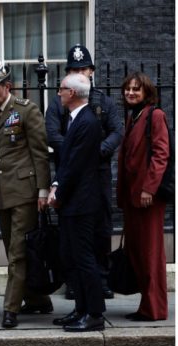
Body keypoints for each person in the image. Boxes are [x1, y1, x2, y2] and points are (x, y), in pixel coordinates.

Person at [44, 44, 124, 303]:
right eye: (74, 69)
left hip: (98, 172)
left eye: (83, 68)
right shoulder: (59, 103)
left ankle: (100, 278)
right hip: (70, 172)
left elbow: (116, 132)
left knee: (100, 227)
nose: (80, 72)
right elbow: (52, 134)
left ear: (91, 71)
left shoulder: (103, 101)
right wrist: (78, 150)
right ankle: (74, 282)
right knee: (69, 231)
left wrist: (96, 150)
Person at [0, 60, 52, 328]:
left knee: (18, 251)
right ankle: (38, 299)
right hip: (0, 194)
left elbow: (40, 153)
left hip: (24, 192)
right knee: (13, 249)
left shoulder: (26, 111)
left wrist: (43, 189)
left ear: (8, 86)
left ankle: (10, 309)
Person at [48, 73, 107, 332]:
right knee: (71, 256)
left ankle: (94, 313)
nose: (58, 93)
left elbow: (75, 165)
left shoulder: (87, 122)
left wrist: (57, 192)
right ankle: (81, 308)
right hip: (75, 201)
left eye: (61, 89)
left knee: (84, 259)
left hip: (82, 203)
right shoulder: (78, 120)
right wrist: (57, 186)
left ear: (71, 93)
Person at [116, 72, 170, 321]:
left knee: (150, 254)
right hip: (133, 197)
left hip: (148, 197)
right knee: (137, 252)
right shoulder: (133, 118)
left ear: (147, 92)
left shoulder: (155, 115)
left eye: (136, 89)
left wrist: (149, 188)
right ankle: (146, 305)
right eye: (128, 89)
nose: (131, 93)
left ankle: (155, 309)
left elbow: (161, 154)